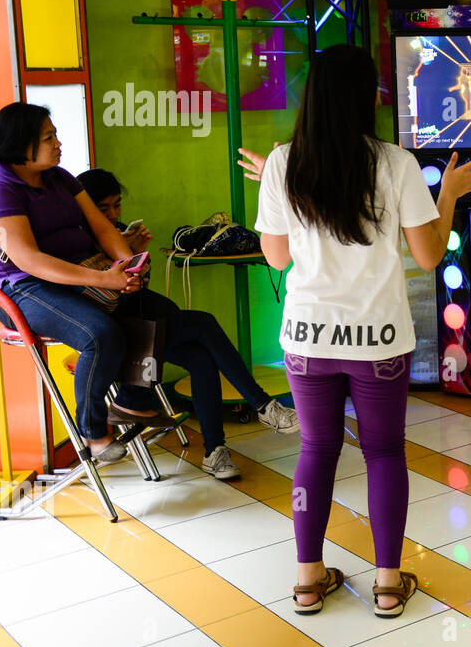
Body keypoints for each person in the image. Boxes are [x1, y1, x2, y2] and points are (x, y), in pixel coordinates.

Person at [240, 43, 471, 617]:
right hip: (379, 340)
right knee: (383, 453)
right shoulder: (396, 164)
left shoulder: (283, 163)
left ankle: (307, 580)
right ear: (366, 99)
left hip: (306, 341)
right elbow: (429, 256)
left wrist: (277, 182)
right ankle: (386, 582)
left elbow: (276, 259)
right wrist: (448, 194)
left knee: (316, 449)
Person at [74, 166, 302, 480]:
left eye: (117, 205)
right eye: (104, 208)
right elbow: (99, 295)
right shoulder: (77, 242)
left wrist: (135, 254)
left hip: (148, 326)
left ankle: (215, 451)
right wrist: (118, 258)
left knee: (200, 357)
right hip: (122, 332)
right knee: (204, 324)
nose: (113, 214)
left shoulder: (119, 231)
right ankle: (263, 405)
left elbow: (139, 285)